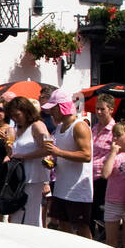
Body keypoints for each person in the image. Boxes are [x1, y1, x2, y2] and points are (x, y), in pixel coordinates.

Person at [44, 88, 93, 239]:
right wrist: (52, 162)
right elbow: (60, 155)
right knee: (63, 225)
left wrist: (58, 153)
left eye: (53, 109)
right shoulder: (59, 128)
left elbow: (86, 155)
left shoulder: (79, 126)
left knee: (81, 227)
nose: (51, 113)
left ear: (61, 108)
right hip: (61, 187)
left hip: (78, 191)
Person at [7, 96, 51, 227]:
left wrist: (23, 156)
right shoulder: (18, 129)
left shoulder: (37, 126)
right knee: (17, 214)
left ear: (26, 111)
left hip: (33, 178)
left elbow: (47, 149)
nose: (15, 118)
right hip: (19, 179)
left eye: (18, 114)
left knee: (31, 214)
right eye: (12, 116)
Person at [90, 94, 117, 236]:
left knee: (102, 215)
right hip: (90, 176)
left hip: (103, 178)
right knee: (89, 214)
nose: (98, 112)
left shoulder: (115, 130)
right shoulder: (94, 127)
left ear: (111, 110)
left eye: (102, 109)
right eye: (97, 109)